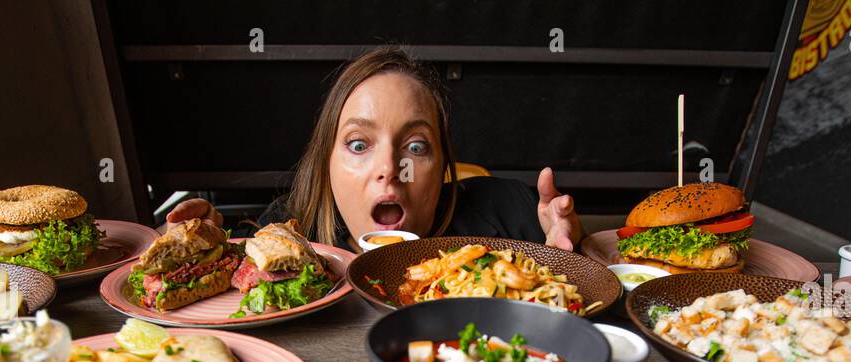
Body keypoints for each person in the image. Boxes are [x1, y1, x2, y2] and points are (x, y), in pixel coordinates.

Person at [165, 46, 582, 252]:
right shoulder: (284, 232)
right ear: (326, 163)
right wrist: (204, 249)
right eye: (359, 144)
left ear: (442, 168)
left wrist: (571, 256)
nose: (389, 168)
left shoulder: (513, 211)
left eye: (416, 146)